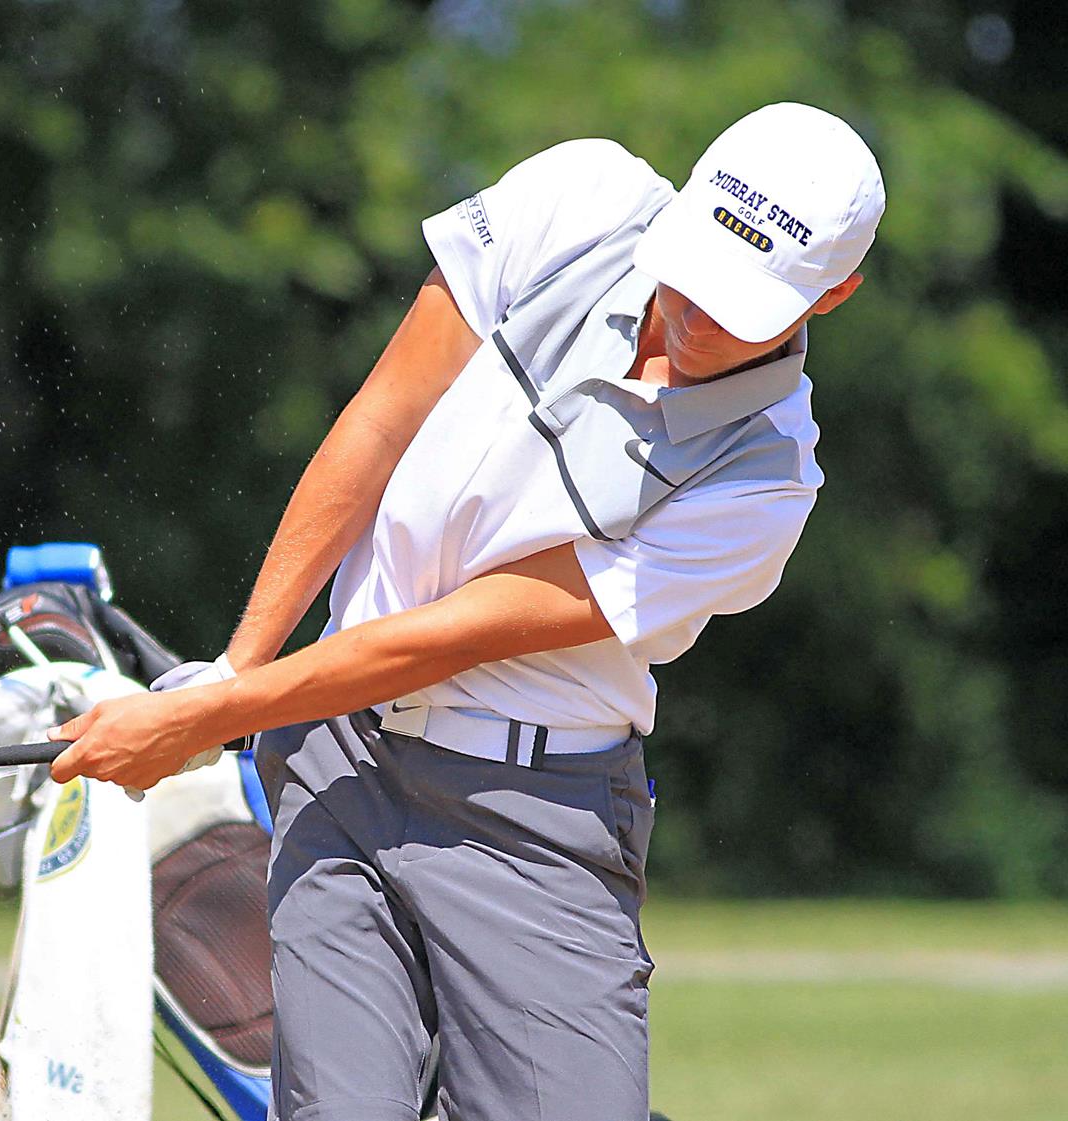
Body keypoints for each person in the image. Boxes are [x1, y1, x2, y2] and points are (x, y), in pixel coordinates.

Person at [48, 102, 886, 1120]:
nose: (692, 315)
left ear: (833, 294)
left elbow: (449, 635)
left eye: (738, 303)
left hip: (528, 823)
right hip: (341, 764)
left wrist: (212, 716)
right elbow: (382, 416)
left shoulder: (763, 483)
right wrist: (234, 668)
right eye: (693, 265)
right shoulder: (581, 196)